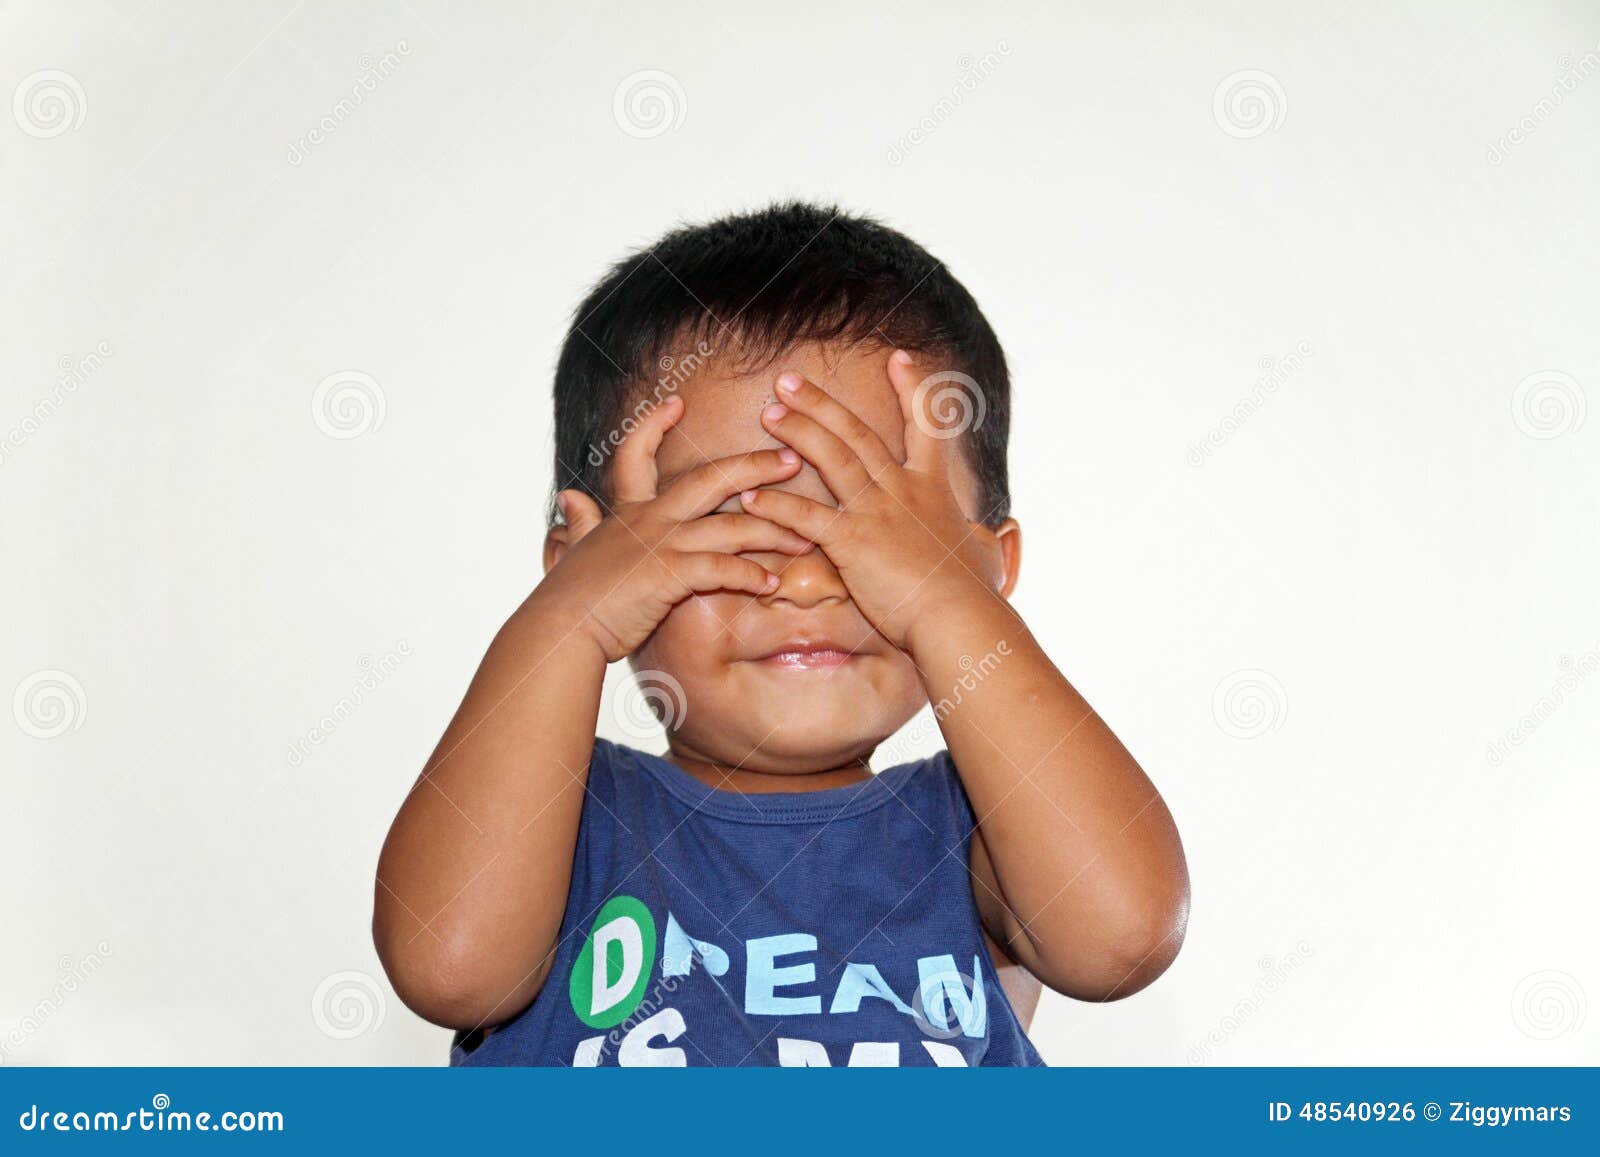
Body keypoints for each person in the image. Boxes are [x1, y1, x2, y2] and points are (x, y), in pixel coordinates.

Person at [373, 202, 1189, 1066]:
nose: (803, 578)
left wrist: (949, 605)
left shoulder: (984, 831)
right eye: (725, 525)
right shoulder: (559, 817)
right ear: (588, 564)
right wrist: (566, 624)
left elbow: (1122, 939)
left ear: (989, 571)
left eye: (877, 533)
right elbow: (449, 968)